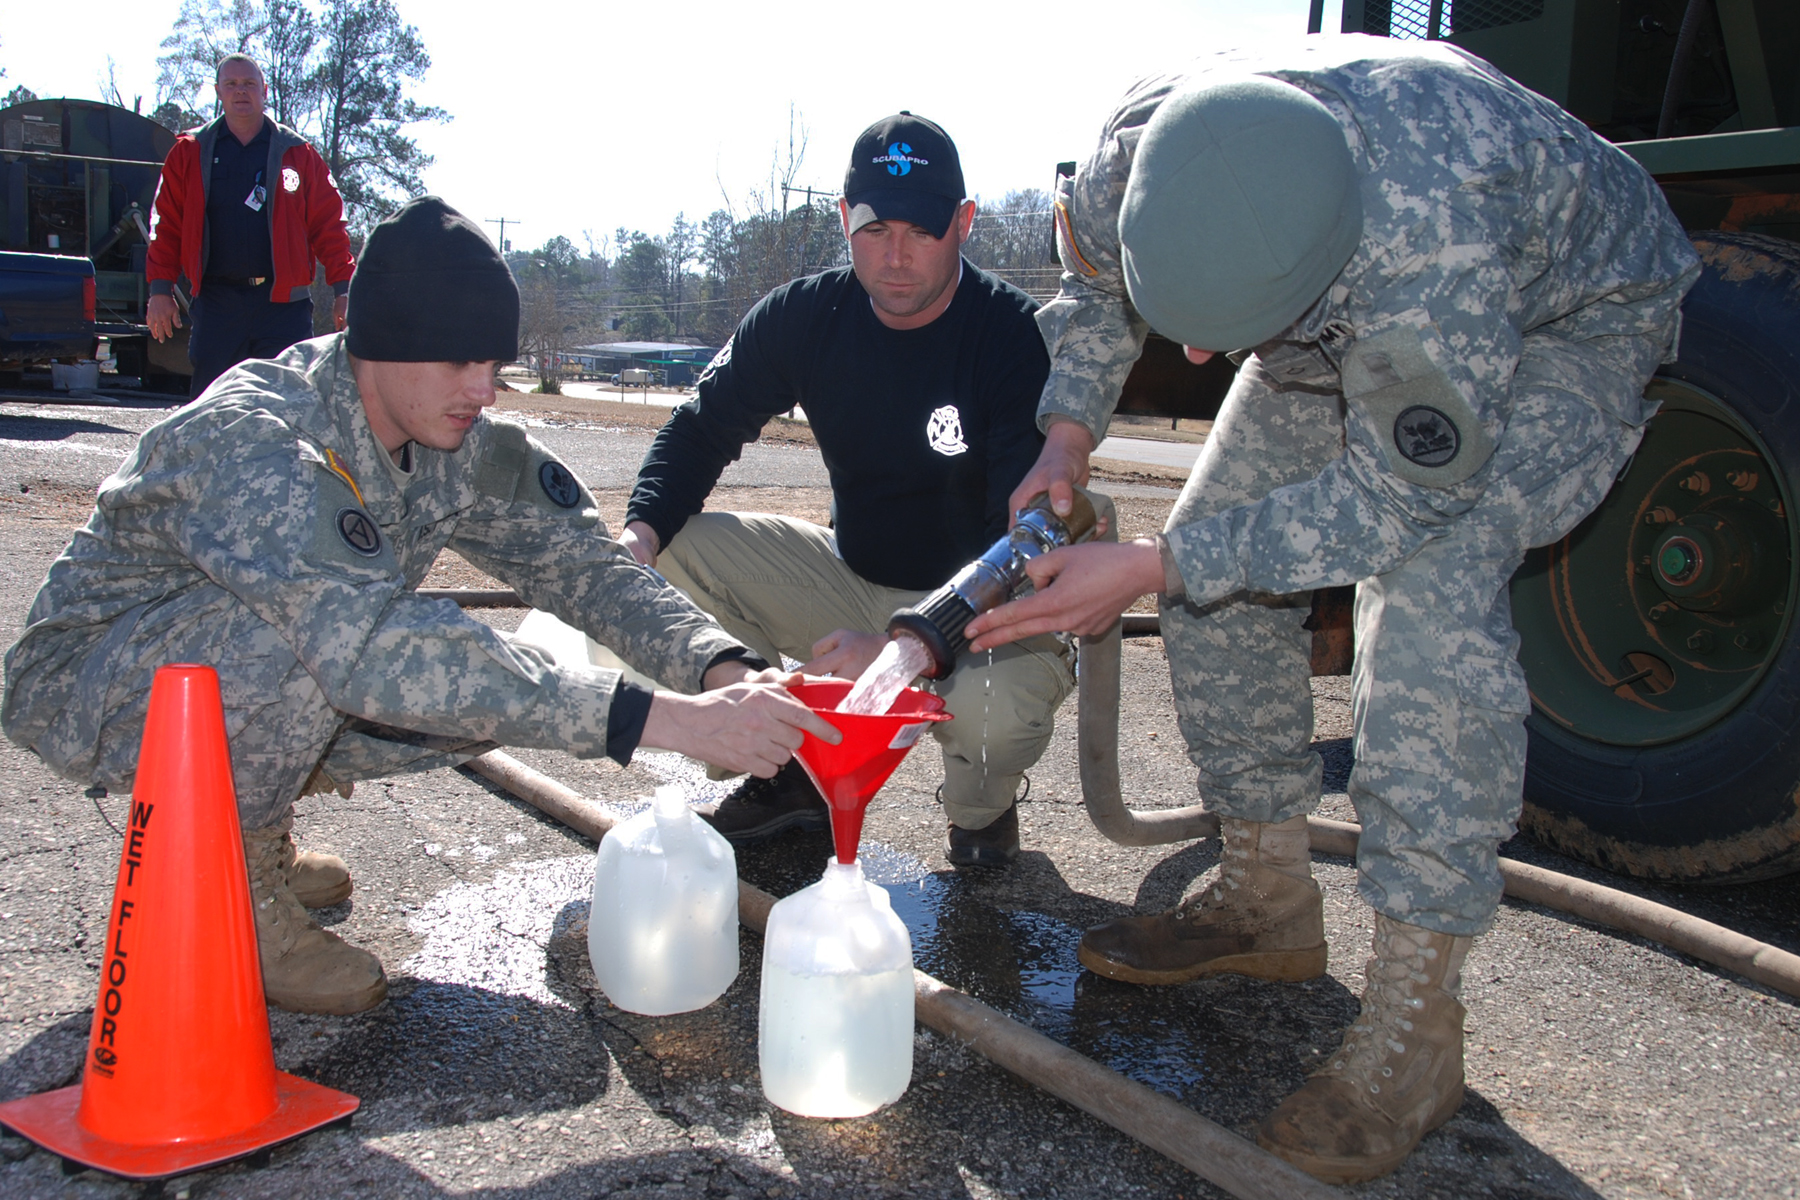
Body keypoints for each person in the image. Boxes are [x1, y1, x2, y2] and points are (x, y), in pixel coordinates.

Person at [967, 37, 1699, 1183]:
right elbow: (1100, 287)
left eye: (1215, 334)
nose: (1198, 354)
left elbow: (1405, 496)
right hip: (1323, 309)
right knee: (1215, 548)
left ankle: (1416, 1026)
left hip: (1566, 320)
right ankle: (1265, 896)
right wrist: (1066, 436)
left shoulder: (1432, 246)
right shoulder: (1141, 152)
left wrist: (1154, 566)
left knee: (1432, 587)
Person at [3, 197, 837, 1017]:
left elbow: (586, 567)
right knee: (355, 645)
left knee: (480, 687)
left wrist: (725, 669)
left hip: (252, 664)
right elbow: (369, 645)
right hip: (91, 685)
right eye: (460, 362)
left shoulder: (453, 434)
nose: (485, 390)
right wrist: (669, 722)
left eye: (494, 364)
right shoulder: (260, 438)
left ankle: (245, 823)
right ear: (384, 344)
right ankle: (231, 893)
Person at [619, 112, 1067, 868]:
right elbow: (700, 430)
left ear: (963, 223)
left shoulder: (1015, 336)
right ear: (843, 219)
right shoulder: (804, 316)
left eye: (922, 231)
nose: (895, 256)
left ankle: (981, 810)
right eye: (874, 228)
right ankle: (790, 765)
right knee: (673, 551)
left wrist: (900, 649)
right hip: (853, 577)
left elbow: (1019, 542)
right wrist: (637, 533)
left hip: (993, 608)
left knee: (999, 711)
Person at [145, 53, 356, 398]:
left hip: (283, 308)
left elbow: (329, 225)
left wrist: (344, 290)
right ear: (218, 92)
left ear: (264, 90)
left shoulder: (298, 153)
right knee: (212, 407)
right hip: (216, 304)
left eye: (249, 84)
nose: (240, 91)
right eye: (231, 84)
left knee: (286, 407)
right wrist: (159, 290)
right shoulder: (189, 152)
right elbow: (167, 224)